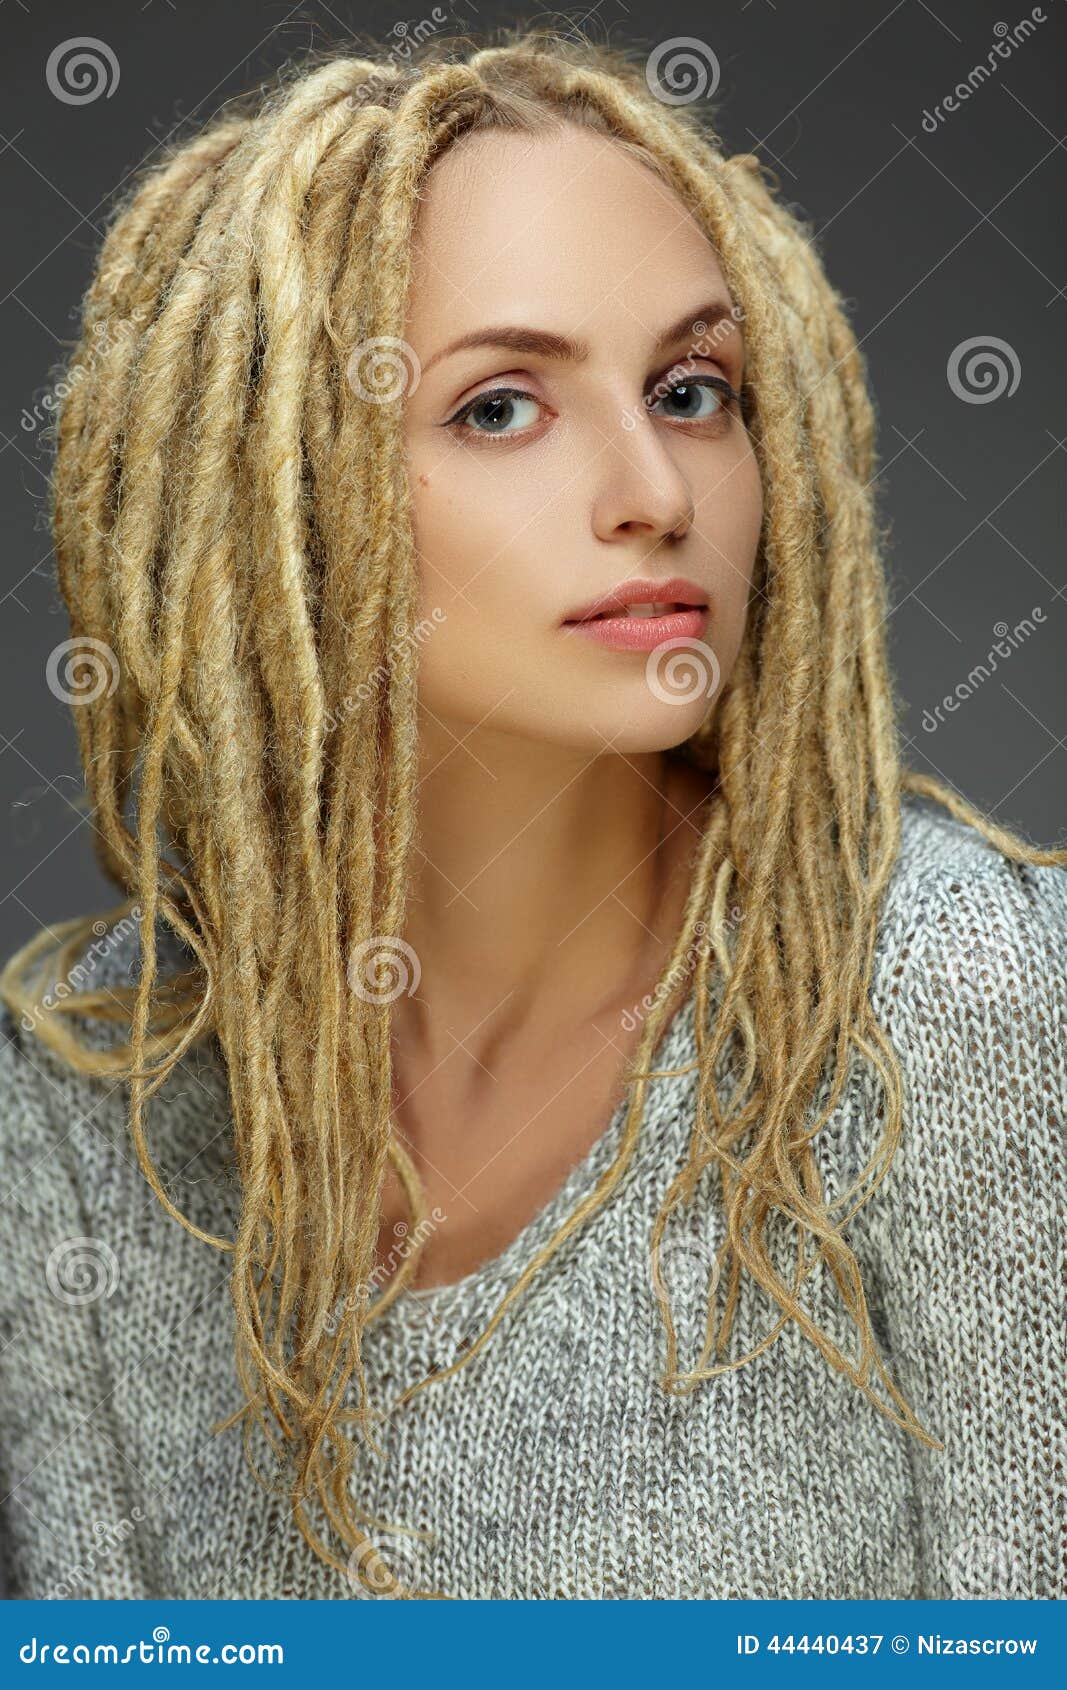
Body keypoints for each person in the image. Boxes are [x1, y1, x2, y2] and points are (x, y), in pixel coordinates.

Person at [0, 27, 1064, 1601]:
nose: (656, 487)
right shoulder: (86, 1115)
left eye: (695, 388)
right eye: (502, 407)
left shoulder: (950, 999)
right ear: (280, 493)